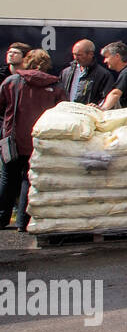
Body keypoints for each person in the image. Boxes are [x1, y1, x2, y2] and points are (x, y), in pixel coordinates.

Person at [0, 49, 67, 232]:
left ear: (27, 62)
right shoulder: (57, 86)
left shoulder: (12, 82)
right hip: (40, 141)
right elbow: (64, 113)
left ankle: (1, 218)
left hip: (12, 139)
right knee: (30, 180)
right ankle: (24, 221)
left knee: (7, 178)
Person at [59, 38, 114, 106]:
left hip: (88, 114)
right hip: (67, 113)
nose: (76, 58)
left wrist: (97, 107)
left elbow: (106, 98)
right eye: (74, 54)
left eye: (79, 55)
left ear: (90, 54)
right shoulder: (65, 73)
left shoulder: (103, 75)